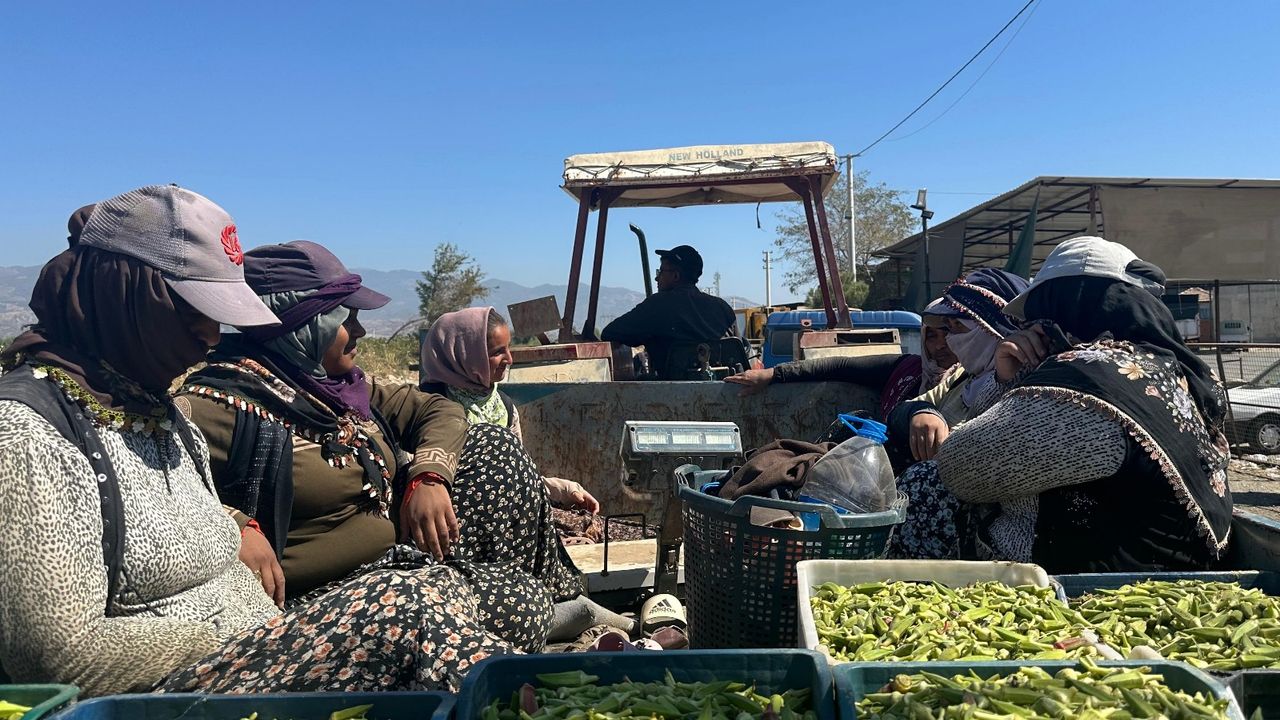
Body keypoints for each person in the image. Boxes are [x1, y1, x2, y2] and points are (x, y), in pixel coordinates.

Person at [0, 187, 541, 697]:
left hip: (262, 634)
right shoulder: (28, 433)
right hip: (196, 680)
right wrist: (249, 638)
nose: (213, 334)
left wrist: (235, 524)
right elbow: (57, 656)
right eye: (195, 310)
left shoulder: (153, 411)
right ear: (128, 295)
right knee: (406, 606)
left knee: (480, 596)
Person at [178, 241, 583, 608]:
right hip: (329, 594)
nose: (360, 331)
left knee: (494, 447)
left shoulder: (345, 388)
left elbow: (440, 412)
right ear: (301, 327)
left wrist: (429, 476)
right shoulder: (219, 405)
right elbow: (157, 489)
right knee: (521, 606)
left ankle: (533, 603)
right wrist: (234, 527)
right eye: (344, 318)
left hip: (398, 560)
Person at [889, 237, 1232, 572]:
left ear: (1067, 305)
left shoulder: (1091, 378)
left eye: (1039, 314)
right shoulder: (1171, 371)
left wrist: (1009, 381)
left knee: (925, 481)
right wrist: (1010, 379)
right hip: (1166, 565)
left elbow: (960, 467)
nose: (1032, 328)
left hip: (1104, 586)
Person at [419, 306, 599, 514]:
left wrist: (565, 490)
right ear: (464, 354)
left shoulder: (504, 407)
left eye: (508, 348)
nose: (509, 359)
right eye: (497, 352)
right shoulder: (427, 404)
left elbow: (516, 477)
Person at [723, 303, 958, 422]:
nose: (940, 345)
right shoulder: (906, 368)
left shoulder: (973, 383)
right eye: (931, 336)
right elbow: (840, 366)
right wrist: (774, 375)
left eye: (948, 335)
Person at [887, 269, 1029, 464]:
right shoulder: (962, 378)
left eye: (958, 326)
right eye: (949, 327)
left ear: (992, 329)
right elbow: (902, 409)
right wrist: (921, 411)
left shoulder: (1024, 391)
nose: (949, 340)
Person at [600, 244, 736, 379]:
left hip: (671, 395)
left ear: (675, 276)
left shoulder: (658, 305)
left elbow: (610, 332)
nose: (657, 278)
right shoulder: (724, 308)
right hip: (726, 395)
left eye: (661, 272)